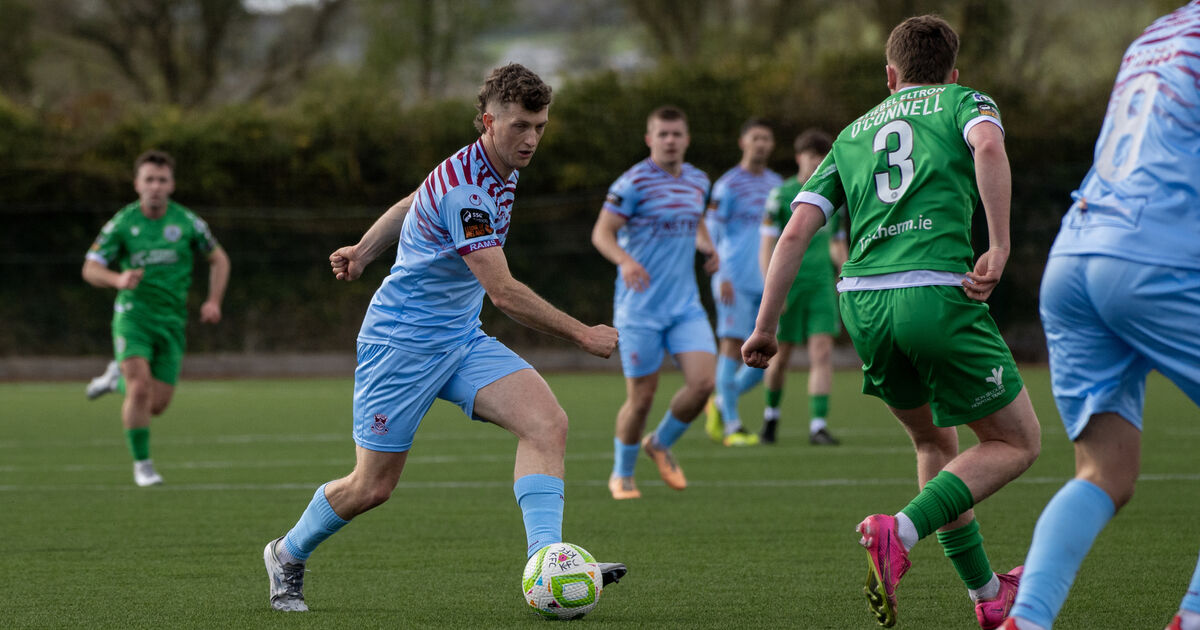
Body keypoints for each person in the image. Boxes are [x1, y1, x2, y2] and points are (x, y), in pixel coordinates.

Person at [261, 64, 626, 613]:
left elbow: (414, 199)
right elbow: (503, 292)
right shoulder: (468, 191)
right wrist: (582, 333)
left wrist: (363, 250)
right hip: (401, 347)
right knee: (372, 487)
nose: (531, 139)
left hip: (460, 340)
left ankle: (547, 562)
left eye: (540, 127)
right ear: (489, 122)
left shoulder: (491, 165)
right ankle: (286, 554)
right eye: (520, 126)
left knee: (546, 423)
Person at [743, 15, 1041, 629]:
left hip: (862, 304)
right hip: (934, 292)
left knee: (935, 443)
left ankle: (988, 595)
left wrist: (766, 326)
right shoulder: (965, 101)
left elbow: (795, 233)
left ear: (890, 75)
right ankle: (898, 530)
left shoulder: (852, 133)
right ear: (952, 72)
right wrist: (999, 245)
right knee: (1016, 442)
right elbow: (989, 147)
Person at [1002, 4, 1200, 630]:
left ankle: (1027, 620)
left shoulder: (1156, 33)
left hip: (1076, 254)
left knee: (1104, 470)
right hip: (1153, 257)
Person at [591, 105, 719, 500]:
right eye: (662, 134)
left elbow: (695, 219)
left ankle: (659, 443)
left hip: (685, 307)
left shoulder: (698, 180)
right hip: (640, 309)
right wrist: (626, 261)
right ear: (650, 139)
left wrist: (707, 245)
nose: (670, 140)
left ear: (687, 139)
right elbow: (602, 234)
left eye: (676, 134)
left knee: (704, 384)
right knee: (642, 399)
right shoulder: (632, 183)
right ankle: (622, 473)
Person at [82, 149, 231, 487]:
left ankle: (114, 379)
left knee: (156, 404)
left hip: (172, 322)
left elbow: (219, 259)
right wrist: (118, 279)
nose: (155, 186)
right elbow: (90, 268)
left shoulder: (188, 223)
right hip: (133, 317)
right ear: (137, 184)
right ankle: (143, 466)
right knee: (139, 389)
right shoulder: (122, 224)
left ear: (171, 185)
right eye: (149, 179)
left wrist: (213, 300)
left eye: (162, 180)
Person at [757, 128, 847, 446]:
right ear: (799, 158)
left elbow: (837, 243)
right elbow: (767, 246)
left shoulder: (835, 195)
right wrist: (772, 290)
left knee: (822, 353)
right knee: (779, 357)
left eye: (823, 158)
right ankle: (771, 416)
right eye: (812, 157)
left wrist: (845, 274)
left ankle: (818, 426)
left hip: (821, 286)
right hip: (789, 286)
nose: (817, 163)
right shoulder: (780, 196)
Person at [702, 118, 782, 447]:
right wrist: (721, 275)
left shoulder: (777, 185)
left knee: (765, 352)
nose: (761, 144)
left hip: (768, 280)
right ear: (743, 142)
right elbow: (711, 232)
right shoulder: (727, 185)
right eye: (755, 138)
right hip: (733, 279)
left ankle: (721, 401)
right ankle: (732, 425)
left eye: (766, 138)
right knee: (731, 347)